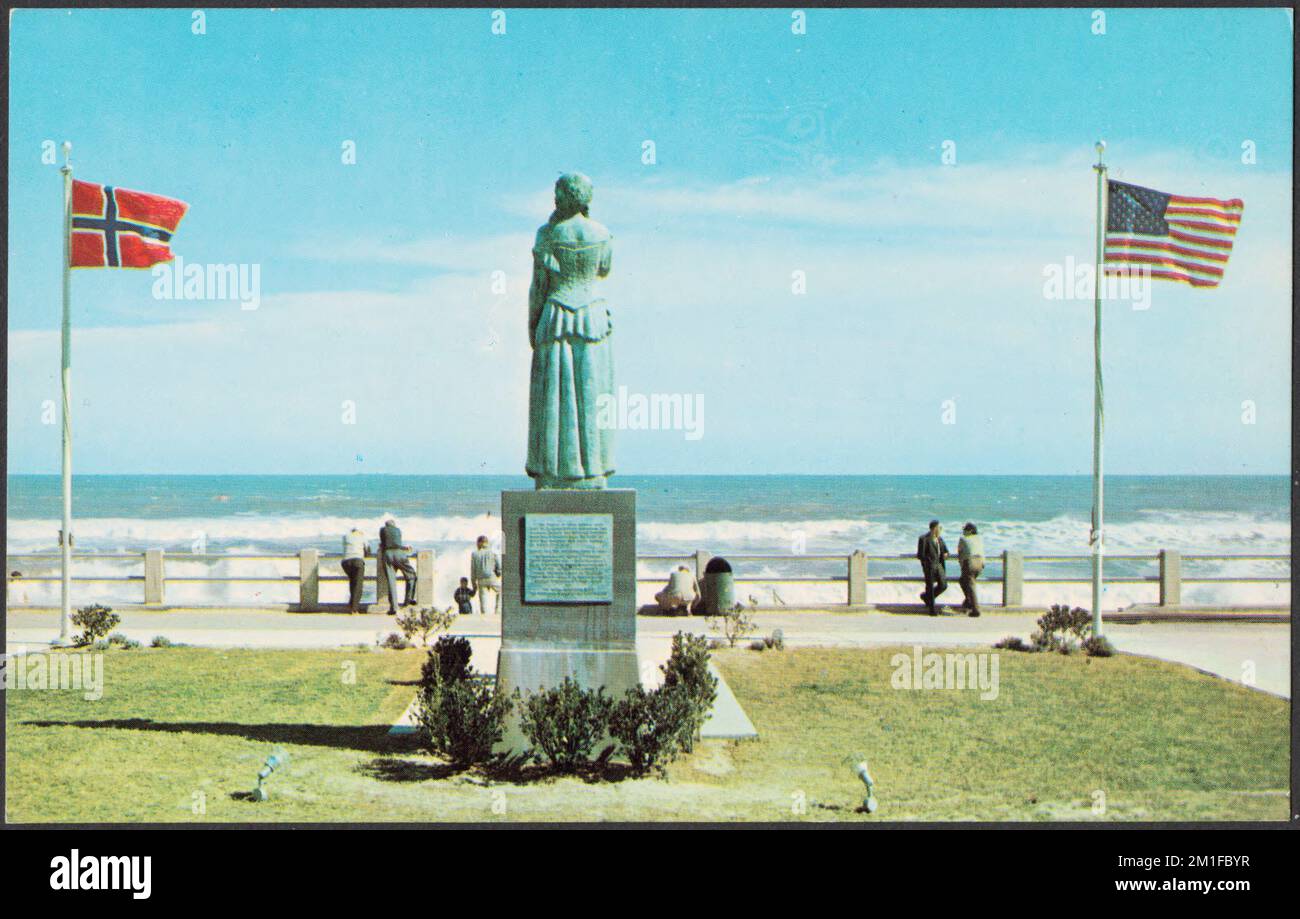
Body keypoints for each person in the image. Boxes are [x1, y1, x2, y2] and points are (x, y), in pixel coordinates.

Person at [525, 173, 616, 489]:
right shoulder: (602, 233)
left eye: (557, 193)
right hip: (593, 317)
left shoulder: (548, 234)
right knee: (592, 393)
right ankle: (594, 471)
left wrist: (532, 326)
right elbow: (603, 269)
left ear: (565, 196)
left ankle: (553, 474)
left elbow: (539, 286)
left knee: (556, 393)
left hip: (557, 317)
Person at [379, 518, 417, 611]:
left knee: (391, 581)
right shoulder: (398, 530)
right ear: (394, 525)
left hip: (388, 554)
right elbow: (396, 544)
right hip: (400, 554)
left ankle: (394, 607)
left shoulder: (382, 530)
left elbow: (383, 544)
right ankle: (408, 600)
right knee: (411, 575)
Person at [916, 519, 950, 616]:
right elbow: (920, 555)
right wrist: (927, 563)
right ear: (934, 528)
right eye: (940, 527)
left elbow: (946, 551)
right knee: (930, 587)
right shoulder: (924, 538)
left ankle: (926, 597)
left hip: (939, 565)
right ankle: (932, 610)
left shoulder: (940, 539)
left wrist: (947, 554)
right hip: (929, 566)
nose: (941, 529)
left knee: (943, 585)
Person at [957, 522, 985, 617]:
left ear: (970, 531)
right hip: (980, 562)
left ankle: (975, 609)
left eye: (965, 530)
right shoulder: (979, 538)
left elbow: (960, 553)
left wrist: (961, 564)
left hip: (970, 562)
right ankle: (968, 601)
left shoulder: (963, 539)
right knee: (963, 581)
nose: (963, 531)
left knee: (970, 585)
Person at [471, 535, 502, 615]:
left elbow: (473, 570)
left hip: (481, 579)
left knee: (483, 598)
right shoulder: (493, 552)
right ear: (486, 543)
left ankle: (484, 613)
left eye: (477, 543)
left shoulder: (474, 554)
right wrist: (498, 574)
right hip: (491, 577)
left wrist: (473, 583)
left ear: (480, 543)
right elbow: (499, 567)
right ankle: (497, 610)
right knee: (501, 591)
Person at [341, 526, 366, 613]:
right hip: (357, 561)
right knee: (358, 585)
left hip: (345, 562)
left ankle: (351, 604)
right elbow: (367, 550)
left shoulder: (345, 536)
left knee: (352, 582)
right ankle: (354, 609)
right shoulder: (362, 536)